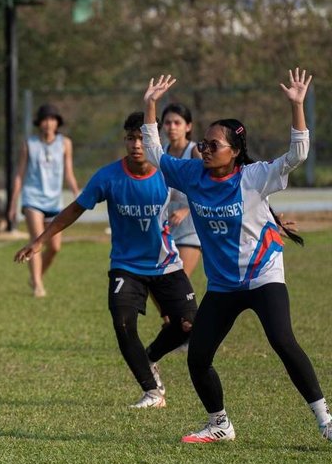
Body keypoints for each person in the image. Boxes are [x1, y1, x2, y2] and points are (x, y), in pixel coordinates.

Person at [141, 70, 331, 444]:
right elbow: (154, 153)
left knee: (282, 340)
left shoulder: (256, 176)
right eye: (204, 144)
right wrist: (150, 105)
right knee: (198, 356)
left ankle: (325, 420)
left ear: (235, 151)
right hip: (224, 284)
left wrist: (297, 106)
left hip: (263, 275)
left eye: (213, 145)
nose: (204, 149)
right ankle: (220, 424)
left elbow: (298, 154)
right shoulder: (192, 173)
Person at [15, 111, 197, 409]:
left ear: (153, 141)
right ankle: (152, 392)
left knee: (190, 324)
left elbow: (209, 193)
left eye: (141, 138)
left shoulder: (169, 174)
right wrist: (39, 241)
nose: (136, 144)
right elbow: (75, 209)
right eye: (130, 138)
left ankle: (149, 357)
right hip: (126, 266)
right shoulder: (108, 176)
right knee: (123, 323)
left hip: (166, 264)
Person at [8, 104, 80, 298]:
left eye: (52, 119)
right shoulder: (29, 144)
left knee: (55, 246)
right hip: (32, 199)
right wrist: (13, 203)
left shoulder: (65, 144)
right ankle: (38, 285)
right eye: (45, 120)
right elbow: (19, 175)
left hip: (54, 201)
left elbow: (69, 172)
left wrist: (77, 194)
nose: (49, 124)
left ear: (57, 123)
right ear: (39, 123)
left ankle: (36, 276)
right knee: (36, 239)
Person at [161, 103, 202, 277]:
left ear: (188, 126)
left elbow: (208, 189)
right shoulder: (160, 153)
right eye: (168, 123)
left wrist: (187, 209)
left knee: (179, 282)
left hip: (190, 230)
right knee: (160, 285)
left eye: (177, 123)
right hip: (165, 230)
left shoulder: (195, 152)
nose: (172, 127)